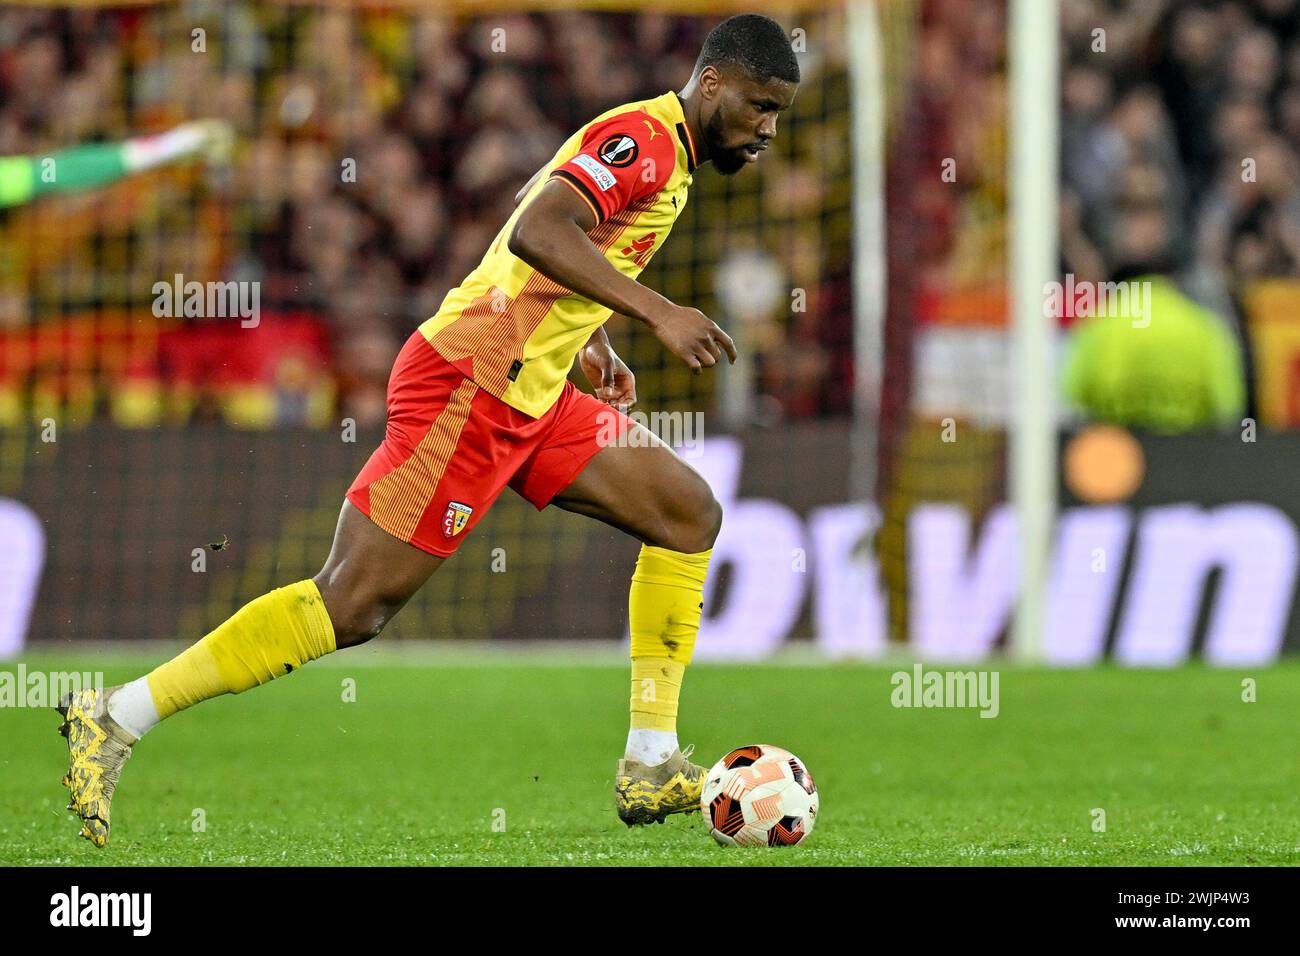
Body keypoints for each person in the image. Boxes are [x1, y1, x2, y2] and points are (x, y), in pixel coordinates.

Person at [57, 13, 800, 846]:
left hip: (537, 389)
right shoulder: (647, 139)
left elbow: (543, 214)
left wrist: (588, 334)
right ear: (712, 85)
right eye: (760, 106)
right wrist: (658, 311)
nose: (768, 128)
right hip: (473, 383)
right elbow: (539, 227)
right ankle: (117, 716)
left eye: (777, 113)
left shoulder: (660, 151)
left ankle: (651, 760)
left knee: (687, 513)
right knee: (352, 605)